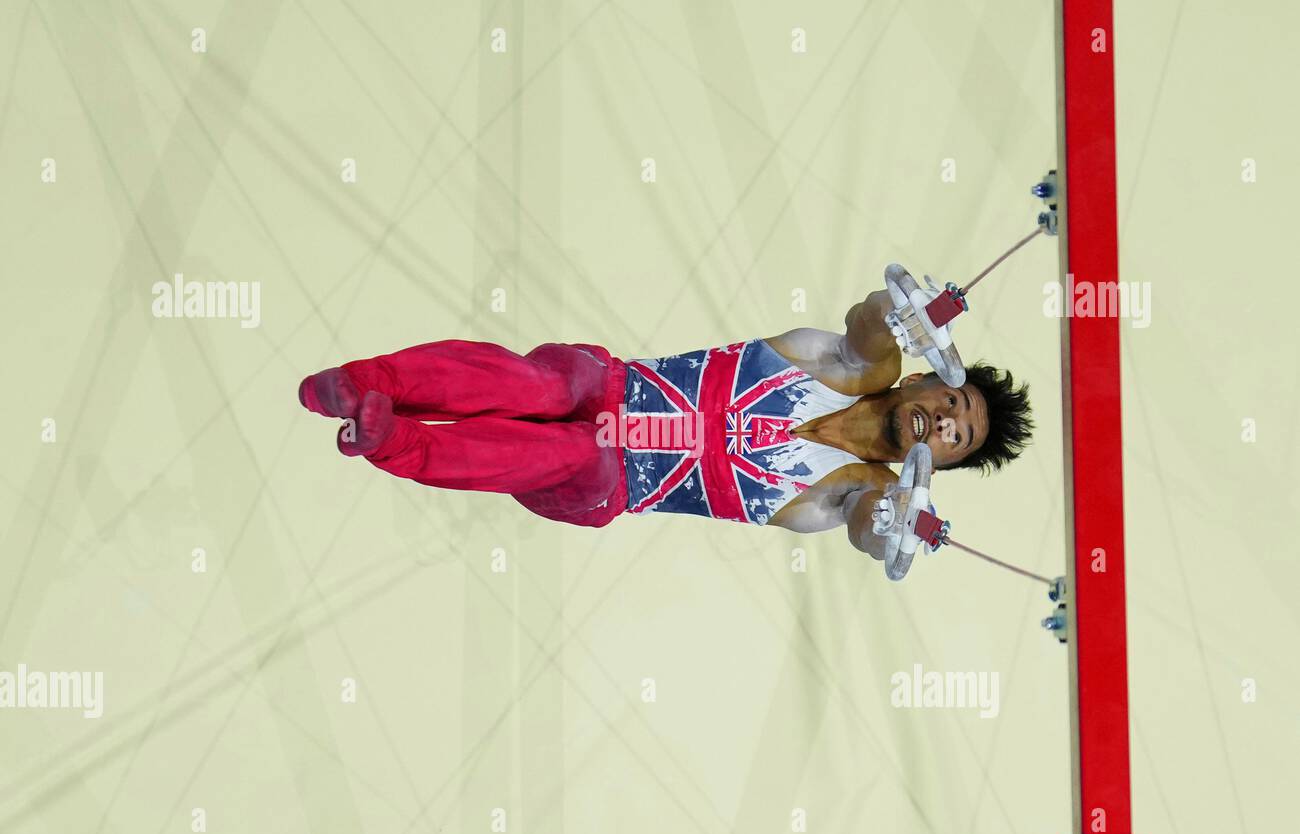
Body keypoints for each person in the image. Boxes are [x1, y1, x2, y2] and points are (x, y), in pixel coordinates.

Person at [297, 288, 1033, 562]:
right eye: (951, 401)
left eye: (954, 437)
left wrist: (899, 521)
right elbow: (871, 321)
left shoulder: (849, 491)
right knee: (555, 383)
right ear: (928, 375)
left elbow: (870, 526)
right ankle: (364, 386)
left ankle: (392, 440)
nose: (940, 420)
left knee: (579, 449)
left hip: (604, 480)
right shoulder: (847, 365)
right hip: (607, 383)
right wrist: (905, 311)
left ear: (936, 466)